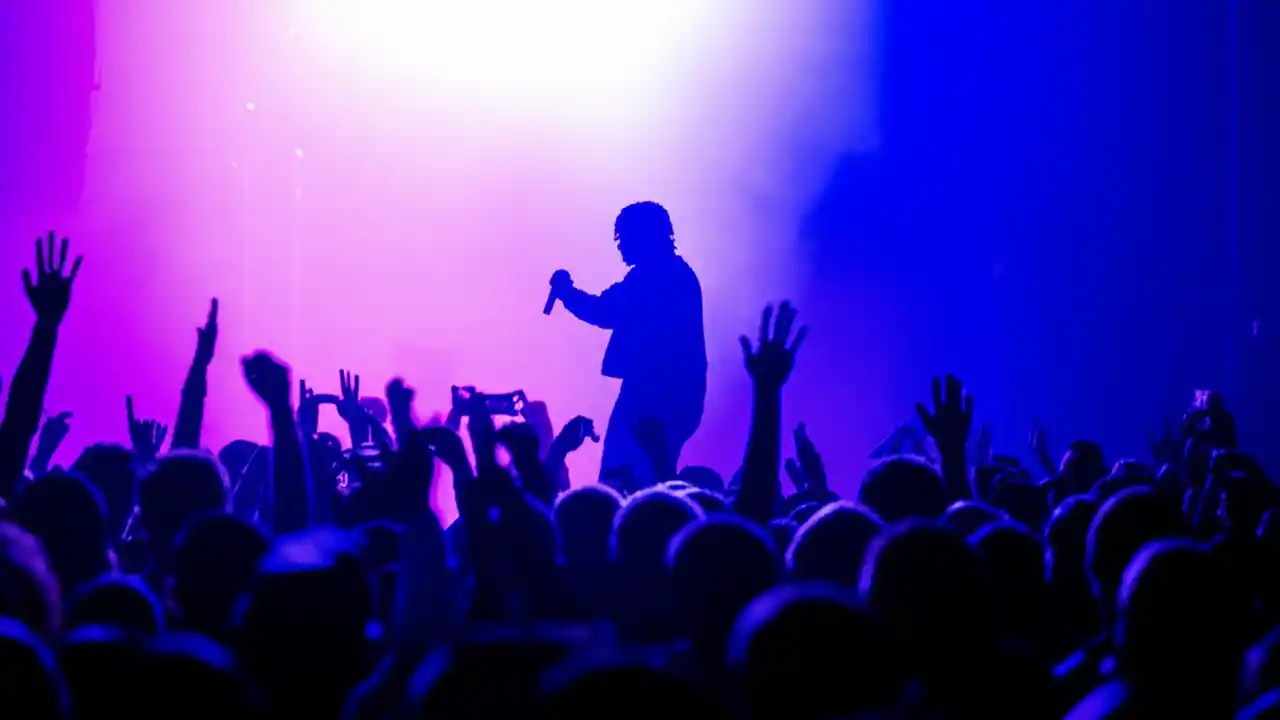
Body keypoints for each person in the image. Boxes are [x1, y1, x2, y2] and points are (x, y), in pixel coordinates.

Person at [548, 202, 707, 493]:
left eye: (623, 237)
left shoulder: (653, 278)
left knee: (622, 480)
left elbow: (603, 311)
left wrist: (566, 292)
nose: (620, 246)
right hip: (678, 394)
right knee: (652, 478)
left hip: (651, 394)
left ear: (643, 235)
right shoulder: (680, 275)